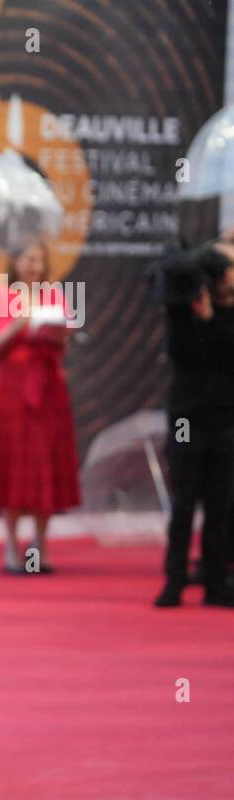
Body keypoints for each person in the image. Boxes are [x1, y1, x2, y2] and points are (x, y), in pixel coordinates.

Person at [0, 241, 81, 574]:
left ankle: (40, 547)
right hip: (7, 392)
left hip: (47, 388)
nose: (34, 265)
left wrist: (58, 335)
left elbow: (65, 341)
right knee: (12, 465)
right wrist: (17, 327)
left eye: (39, 259)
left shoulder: (54, 296)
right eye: (29, 258)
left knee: (45, 464)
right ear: (15, 262)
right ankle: (12, 547)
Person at [155, 241, 234, 607]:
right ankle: (174, 579)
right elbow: (180, 355)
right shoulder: (180, 310)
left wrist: (211, 320)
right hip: (188, 418)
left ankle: (216, 580)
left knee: (221, 503)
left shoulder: (226, 315)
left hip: (226, 419)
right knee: (183, 502)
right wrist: (194, 316)